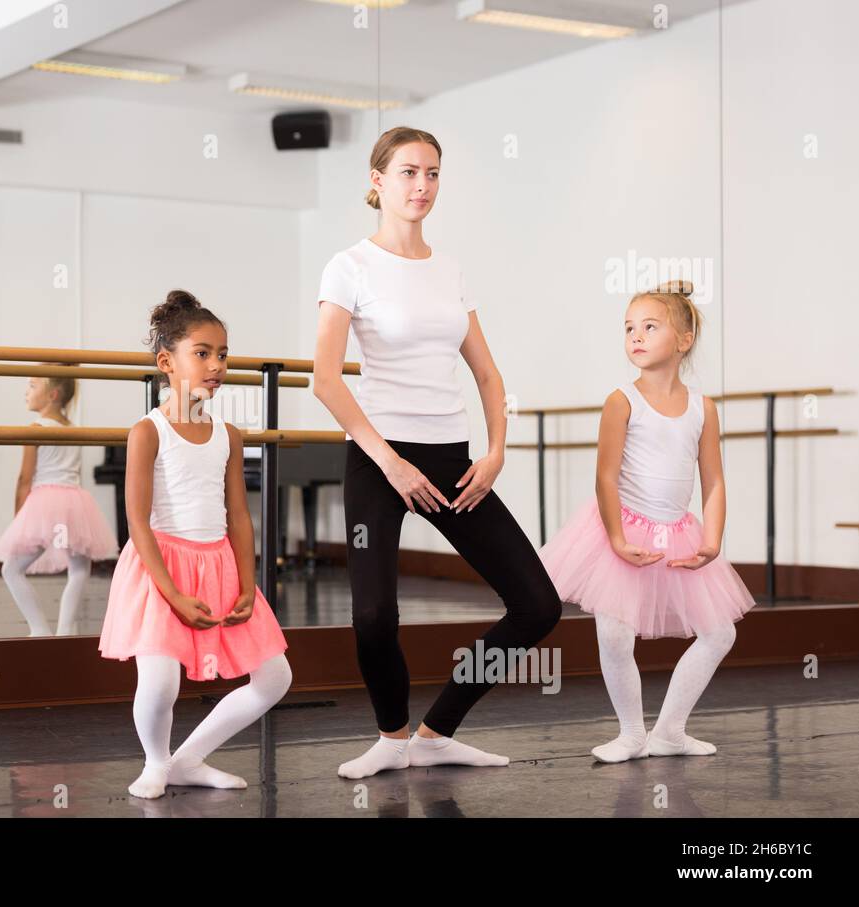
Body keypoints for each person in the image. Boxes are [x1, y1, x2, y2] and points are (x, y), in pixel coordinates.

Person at [313, 126, 562, 779]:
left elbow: (487, 374)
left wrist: (497, 449)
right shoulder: (350, 266)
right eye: (407, 173)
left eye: (432, 174)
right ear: (377, 181)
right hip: (379, 459)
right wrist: (390, 461)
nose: (421, 185)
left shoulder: (449, 269)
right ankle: (392, 735)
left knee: (538, 604)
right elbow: (326, 377)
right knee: (372, 615)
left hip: (453, 458)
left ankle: (436, 730)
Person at [539, 280, 755, 761]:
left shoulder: (704, 408)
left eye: (650, 327)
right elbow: (606, 478)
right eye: (629, 328)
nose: (635, 336)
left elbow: (713, 481)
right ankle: (631, 734)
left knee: (721, 632)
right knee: (614, 632)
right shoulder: (622, 401)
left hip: (677, 532)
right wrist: (616, 539)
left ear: (684, 340)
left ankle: (670, 731)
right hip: (622, 527)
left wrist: (713, 537)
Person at [98, 290, 292, 799]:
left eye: (222, 354)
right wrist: (173, 593)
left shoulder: (229, 434)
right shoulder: (148, 431)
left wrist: (248, 584)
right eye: (202, 353)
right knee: (161, 682)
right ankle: (156, 761)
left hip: (220, 566)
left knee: (275, 678)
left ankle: (187, 759)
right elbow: (136, 521)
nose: (216, 365)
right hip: (159, 566)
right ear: (167, 362)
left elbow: (240, 516)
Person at [0, 372, 118, 636]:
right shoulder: (74, 429)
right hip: (75, 501)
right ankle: (65, 631)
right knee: (80, 569)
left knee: (11, 569)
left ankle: (39, 629)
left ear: (52, 395)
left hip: (45, 501)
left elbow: (24, 478)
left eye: (32, 385)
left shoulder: (35, 429)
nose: (26, 391)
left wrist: (20, 520)